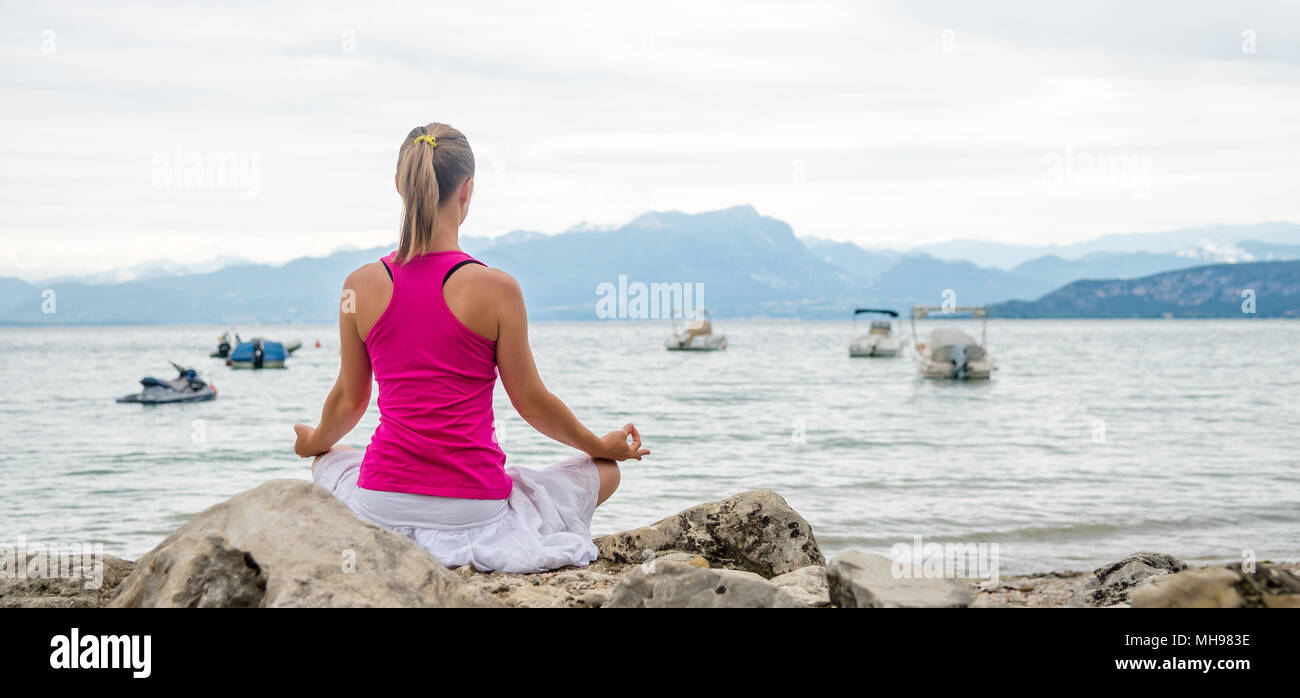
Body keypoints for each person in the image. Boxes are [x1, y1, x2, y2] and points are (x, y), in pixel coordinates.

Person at [292, 122, 649, 573]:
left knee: (333, 460)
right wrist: (600, 445)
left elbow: (350, 400)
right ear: (467, 191)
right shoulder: (497, 288)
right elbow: (532, 403)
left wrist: (314, 443)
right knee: (606, 472)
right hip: (474, 509)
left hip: (382, 504)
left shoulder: (357, 286)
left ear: (401, 186)